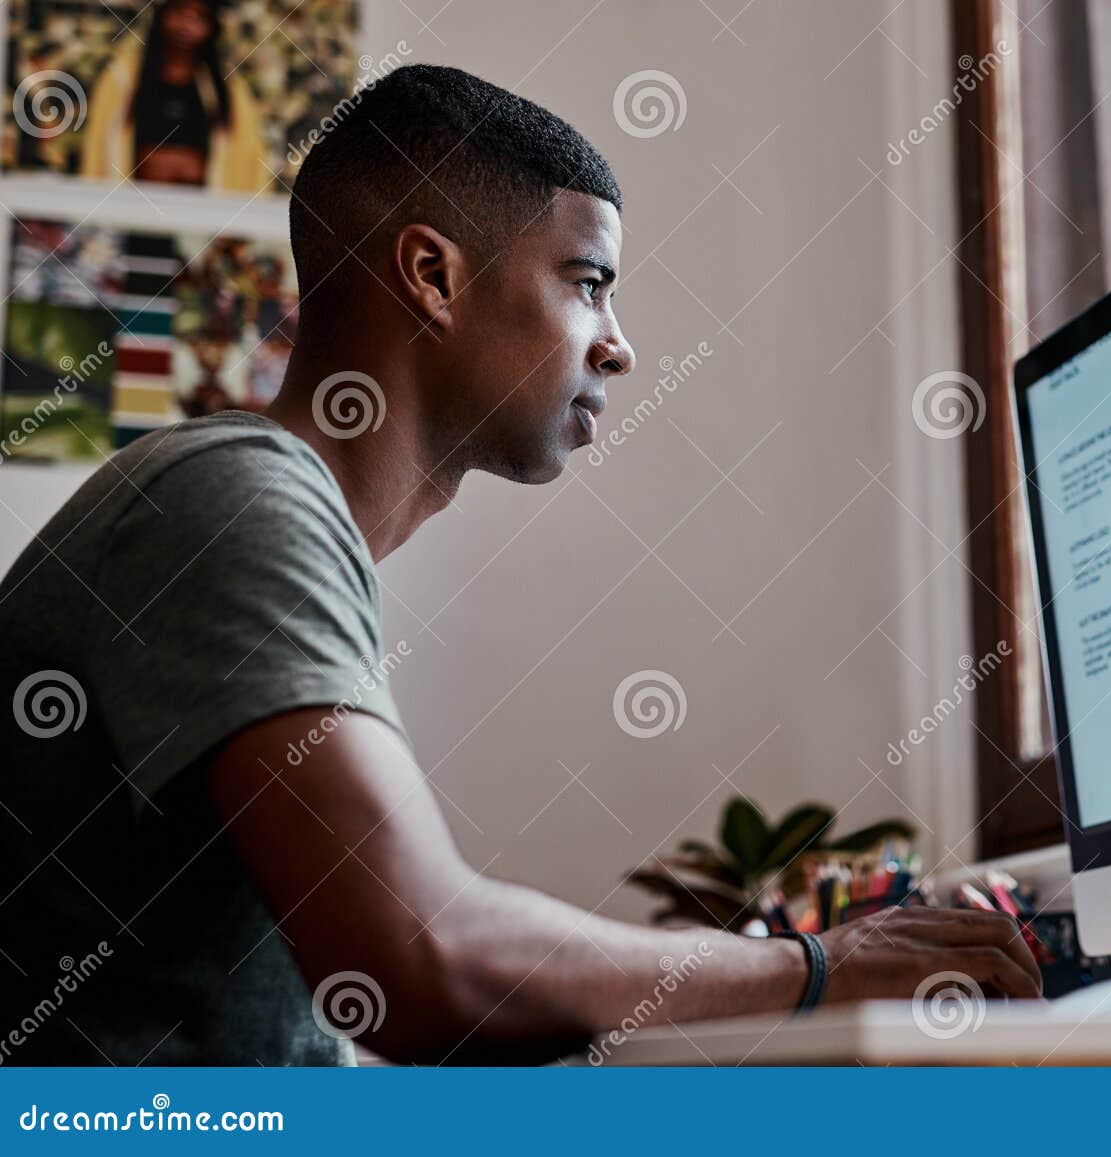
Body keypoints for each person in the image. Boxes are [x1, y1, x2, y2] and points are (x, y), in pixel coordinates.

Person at [0, 65, 1040, 1066]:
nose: (619, 346)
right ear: (432, 276)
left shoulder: (251, 507)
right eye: (588, 284)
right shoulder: (234, 501)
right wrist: (816, 968)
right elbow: (426, 957)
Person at [81, 0, 270, 191]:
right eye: (179, 12)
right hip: (135, 200)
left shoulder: (227, 87)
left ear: (212, 27)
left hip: (198, 204)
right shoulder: (122, 78)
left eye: (199, 18)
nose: (186, 26)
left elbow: (249, 152)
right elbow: (97, 145)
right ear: (161, 15)